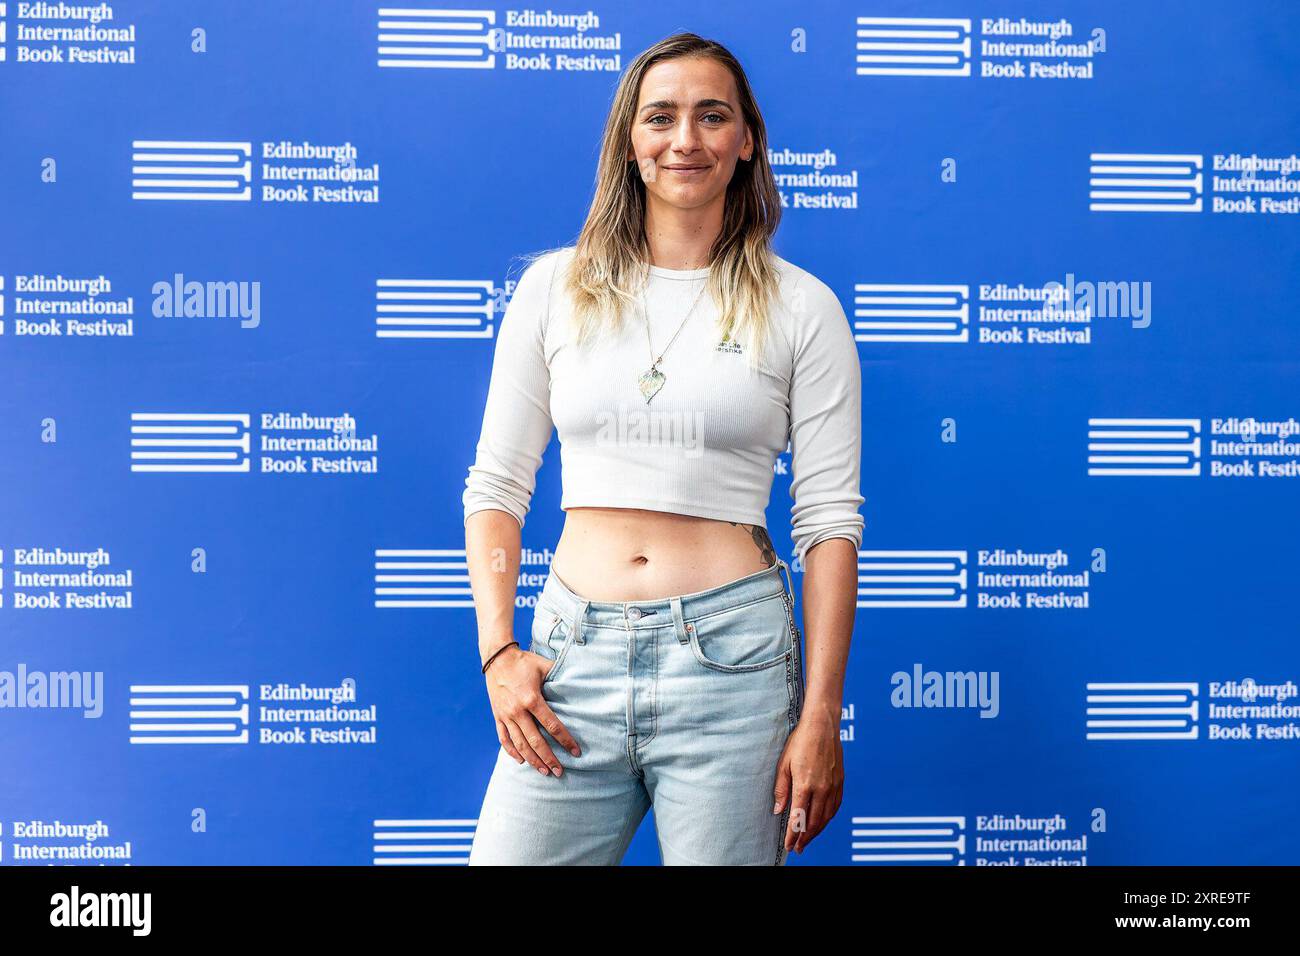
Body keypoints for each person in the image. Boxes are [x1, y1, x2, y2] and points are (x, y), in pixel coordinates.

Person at [462, 32, 863, 865]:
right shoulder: (553, 289)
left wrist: (820, 714)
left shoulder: (803, 308)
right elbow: (496, 488)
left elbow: (828, 523)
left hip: (734, 666)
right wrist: (499, 650)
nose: (687, 139)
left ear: (746, 140)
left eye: (712, 117)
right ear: (630, 140)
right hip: (573, 659)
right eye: (662, 117)